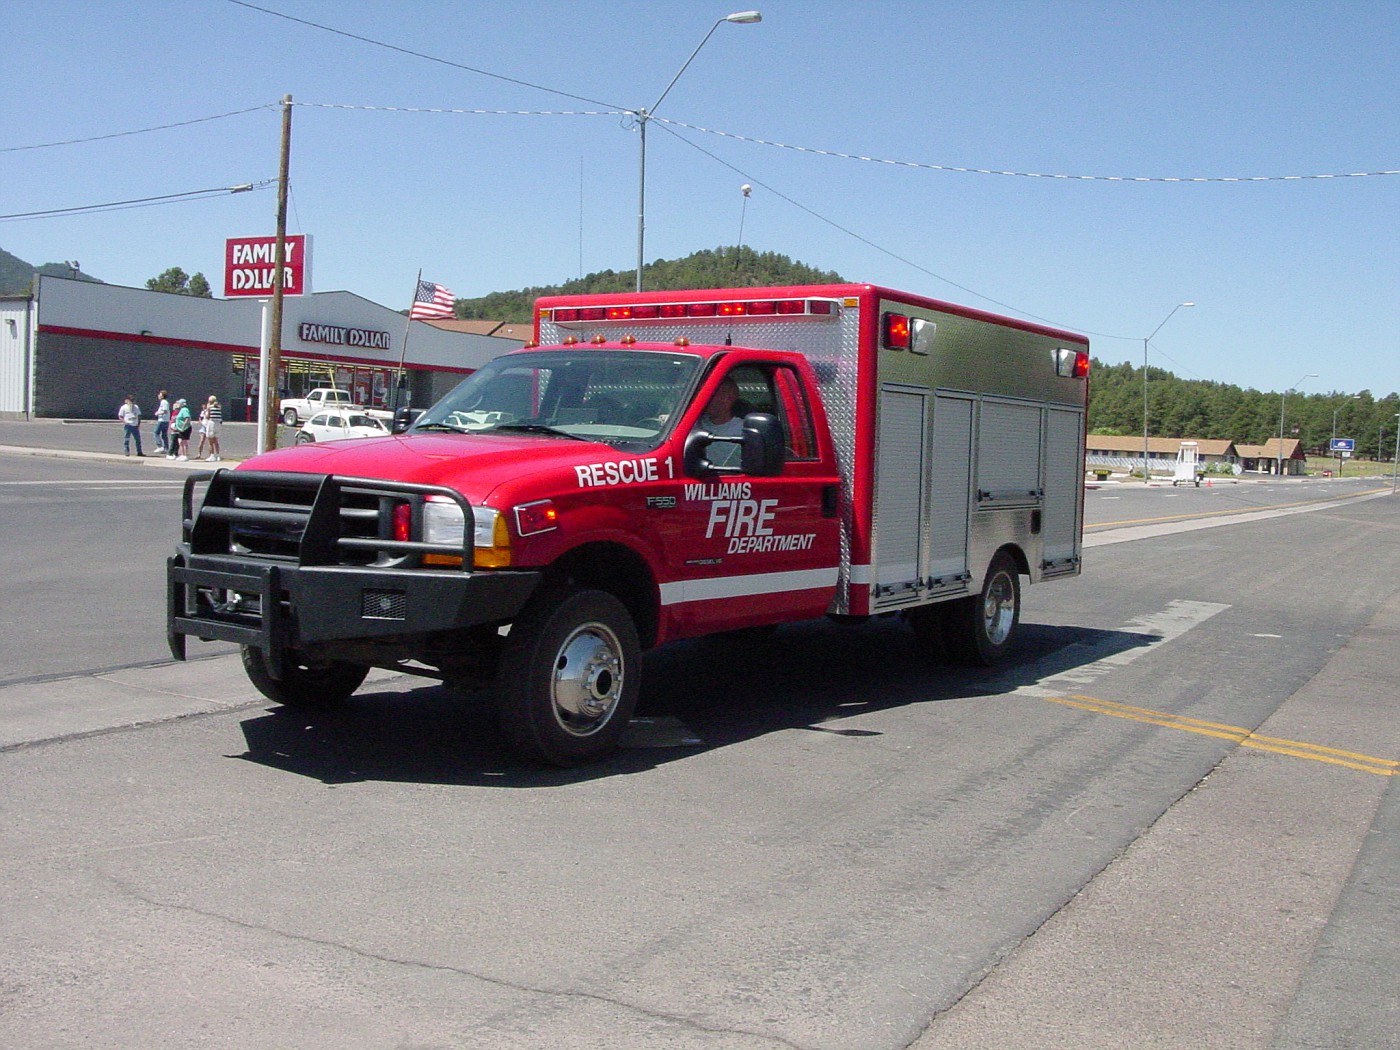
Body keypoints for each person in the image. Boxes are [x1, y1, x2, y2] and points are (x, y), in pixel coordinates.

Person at [204, 395, 223, 462]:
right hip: (218, 424)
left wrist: (205, 410)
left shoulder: (210, 408)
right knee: (216, 441)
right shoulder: (219, 407)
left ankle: (212, 456)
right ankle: (218, 456)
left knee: (210, 441)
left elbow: (207, 416)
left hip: (211, 423)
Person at [153, 389, 171, 454]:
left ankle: (159, 446)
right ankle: (166, 448)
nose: (158, 395)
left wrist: (157, 413)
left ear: (162, 396)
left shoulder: (164, 402)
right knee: (164, 434)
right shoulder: (163, 402)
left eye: (160, 394)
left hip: (163, 420)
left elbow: (165, 411)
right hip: (165, 420)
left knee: (156, 433)